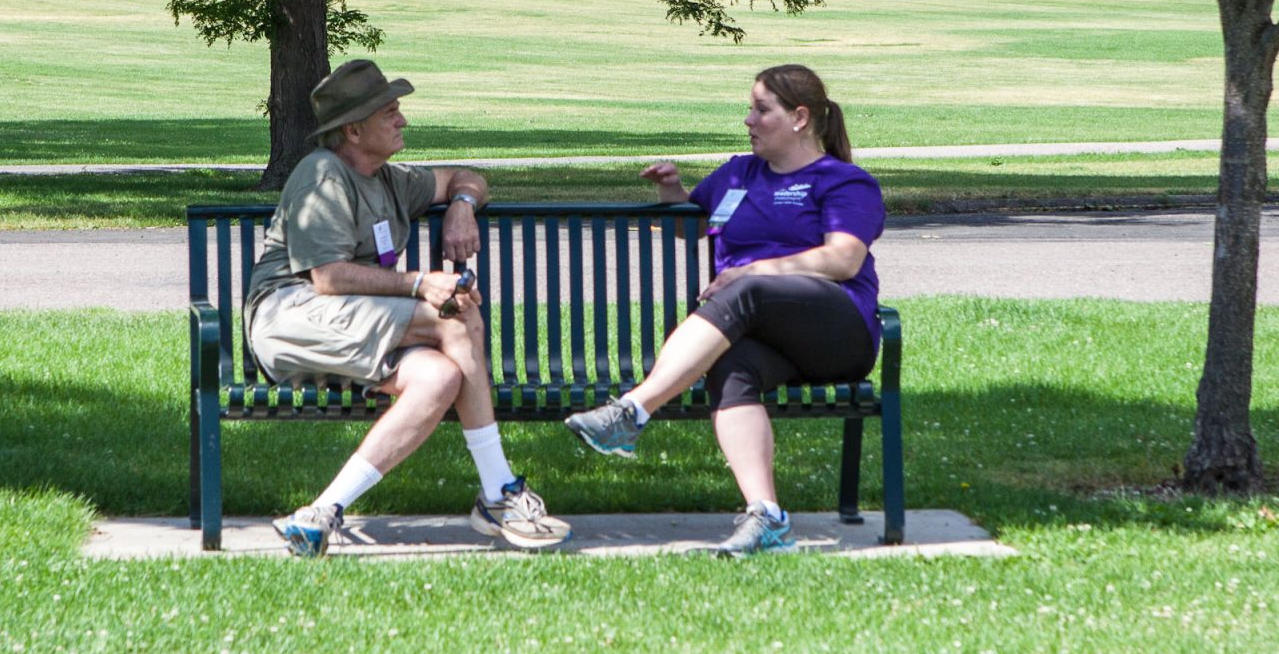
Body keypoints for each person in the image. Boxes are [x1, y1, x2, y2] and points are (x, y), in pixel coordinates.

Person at [246, 58, 570, 557]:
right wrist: (421, 283)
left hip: (350, 325)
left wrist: (461, 205)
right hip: (292, 315)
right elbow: (328, 278)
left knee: (440, 378)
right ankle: (500, 492)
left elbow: (467, 176)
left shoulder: (391, 180)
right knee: (458, 314)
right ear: (353, 130)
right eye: (390, 112)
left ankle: (321, 513)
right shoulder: (322, 175)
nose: (403, 120)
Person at [565, 64, 884, 557]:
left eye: (761, 110)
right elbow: (694, 228)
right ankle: (768, 518)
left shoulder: (843, 181)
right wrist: (673, 194)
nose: (748, 120)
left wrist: (757, 270)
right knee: (731, 368)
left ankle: (633, 410)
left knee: (747, 286)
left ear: (800, 118)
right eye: (749, 108)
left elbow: (843, 259)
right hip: (760, 330)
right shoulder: (739, 172)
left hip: (836, 331)